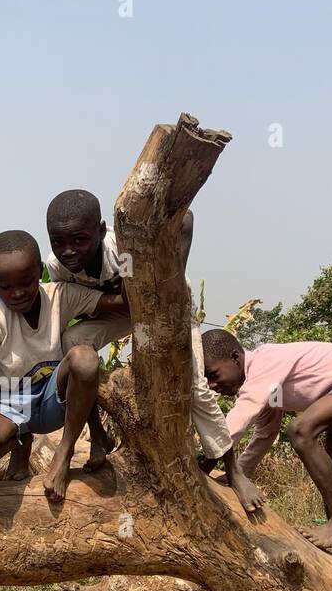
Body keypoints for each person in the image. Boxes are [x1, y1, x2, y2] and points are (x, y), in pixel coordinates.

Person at [45, 188, 262, 514]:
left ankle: (233, 467)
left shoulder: (126, 250)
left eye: (79, 240)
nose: (68, 251)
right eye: (58, 242)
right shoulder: (58, 266)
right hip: (121, 312)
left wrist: (170, 275)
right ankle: (97, 435)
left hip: (168, 308)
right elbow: (80, 306)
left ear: (101, 231)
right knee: (73, 342)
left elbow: (185, 218)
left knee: (195, 388)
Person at [0, 229, 124, 502]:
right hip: (9, 402)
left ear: (40, 272)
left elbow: (115, 303)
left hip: (52, 399)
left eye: (27, 282)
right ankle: (21, 442)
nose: (17, 293)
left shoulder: (59, 296)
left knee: (85, 358)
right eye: (5, 286)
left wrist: (135, 276)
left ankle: (64, 455)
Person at [201, 330, 332, 549]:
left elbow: (243, 412)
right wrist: (239, 474)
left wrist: (208, 460)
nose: (211, 385)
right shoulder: (270, 387)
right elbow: (266, 432)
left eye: (214, 375)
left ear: (235, 358)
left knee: (300, 430)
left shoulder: (264, 363)